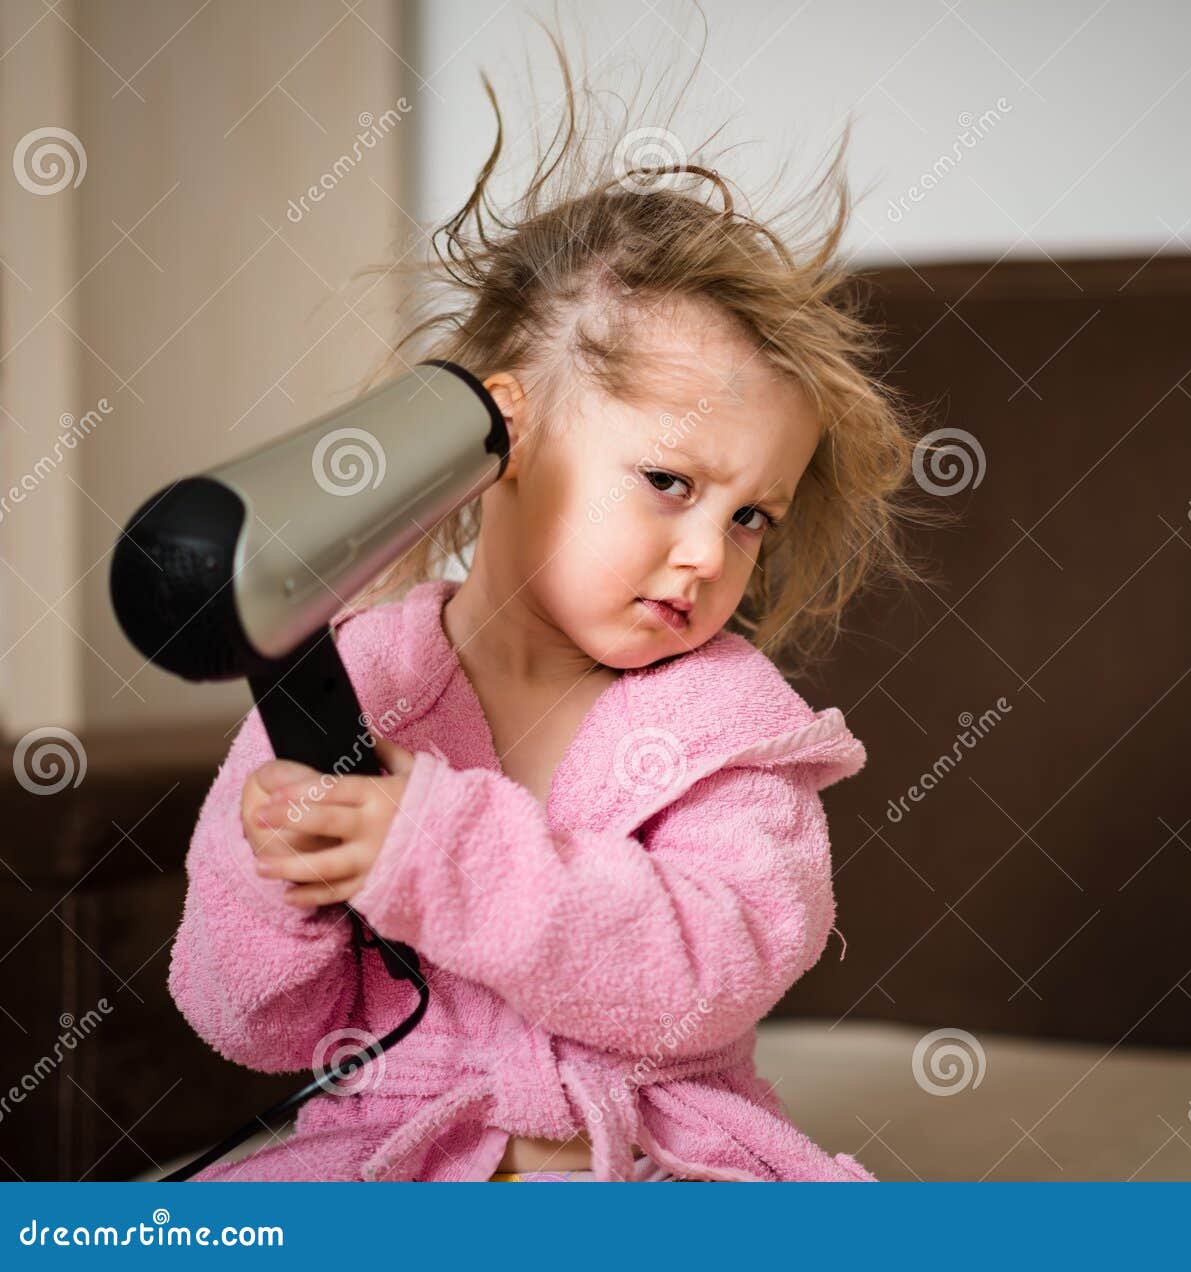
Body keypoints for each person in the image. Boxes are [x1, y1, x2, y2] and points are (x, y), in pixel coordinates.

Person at [167, 20, 941, 1183]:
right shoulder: (356, 680)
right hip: (397, 1158)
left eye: (750, 517)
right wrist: (276, 886)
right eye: (668, 483)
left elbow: (707, 974)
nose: (708, 554)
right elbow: (251, 1025)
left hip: (657, 1160)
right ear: (505, 435)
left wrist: (438, 851)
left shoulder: (731, 725)